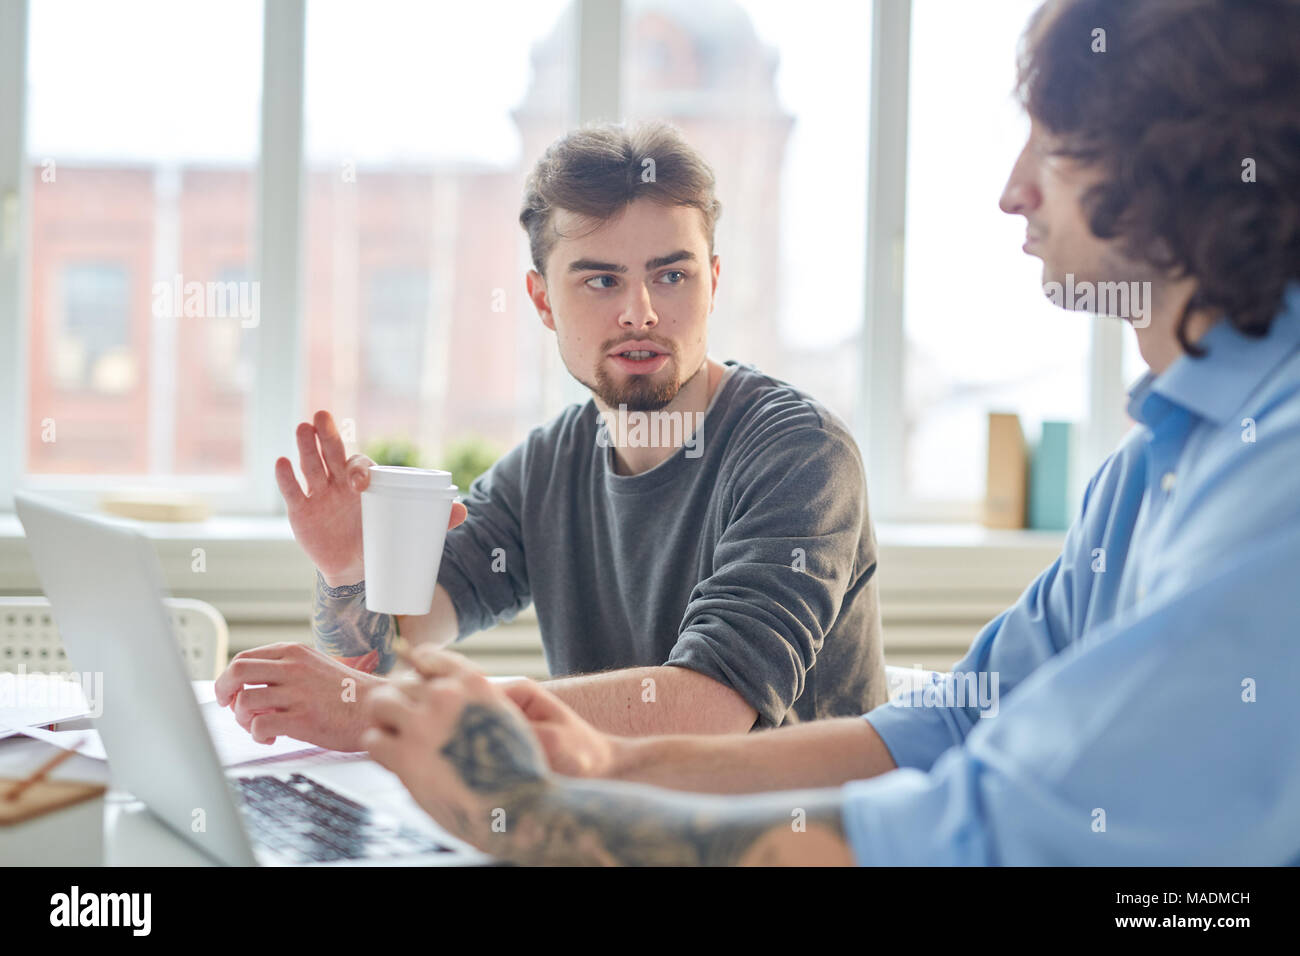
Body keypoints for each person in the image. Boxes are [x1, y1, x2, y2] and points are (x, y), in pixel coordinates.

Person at [358, 0, 1300, 865]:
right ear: (543, 297)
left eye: (1055, 145)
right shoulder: (1145, 472)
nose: (1013, 191)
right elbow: (947, 736)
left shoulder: (1278, 470)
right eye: (599, 278)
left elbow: (993, 834)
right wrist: (602, 767)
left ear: (1191, 162)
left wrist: (530, 813)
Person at [215, 121, 888, 749]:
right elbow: (389, 648)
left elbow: (710, 708)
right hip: (607, 828)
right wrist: (351, 573)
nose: (640, 312)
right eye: (601, 279)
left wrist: (376, 709)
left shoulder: (800, 454)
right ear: (541, 300)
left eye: (672, 275)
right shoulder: (546, 467)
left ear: (712, 284)